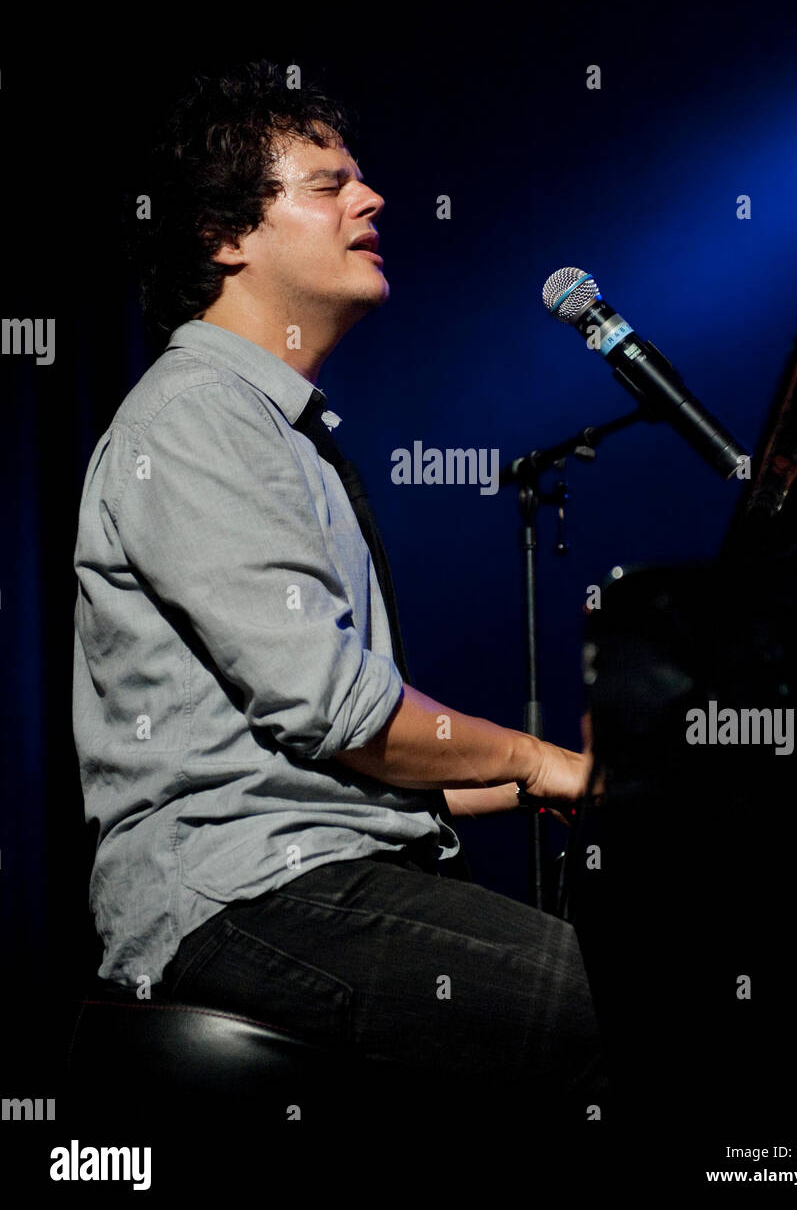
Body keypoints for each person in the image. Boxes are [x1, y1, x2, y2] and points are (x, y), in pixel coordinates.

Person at [72, 59, 607, 1130]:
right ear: (227, 236)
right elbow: (343, 714)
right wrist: (540, 756)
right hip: (244, 903)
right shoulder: (196, 416)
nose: (370, 200)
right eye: (327, 183)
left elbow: (346, 767)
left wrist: (583, 780)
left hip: (314, 877)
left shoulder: (279, 431)